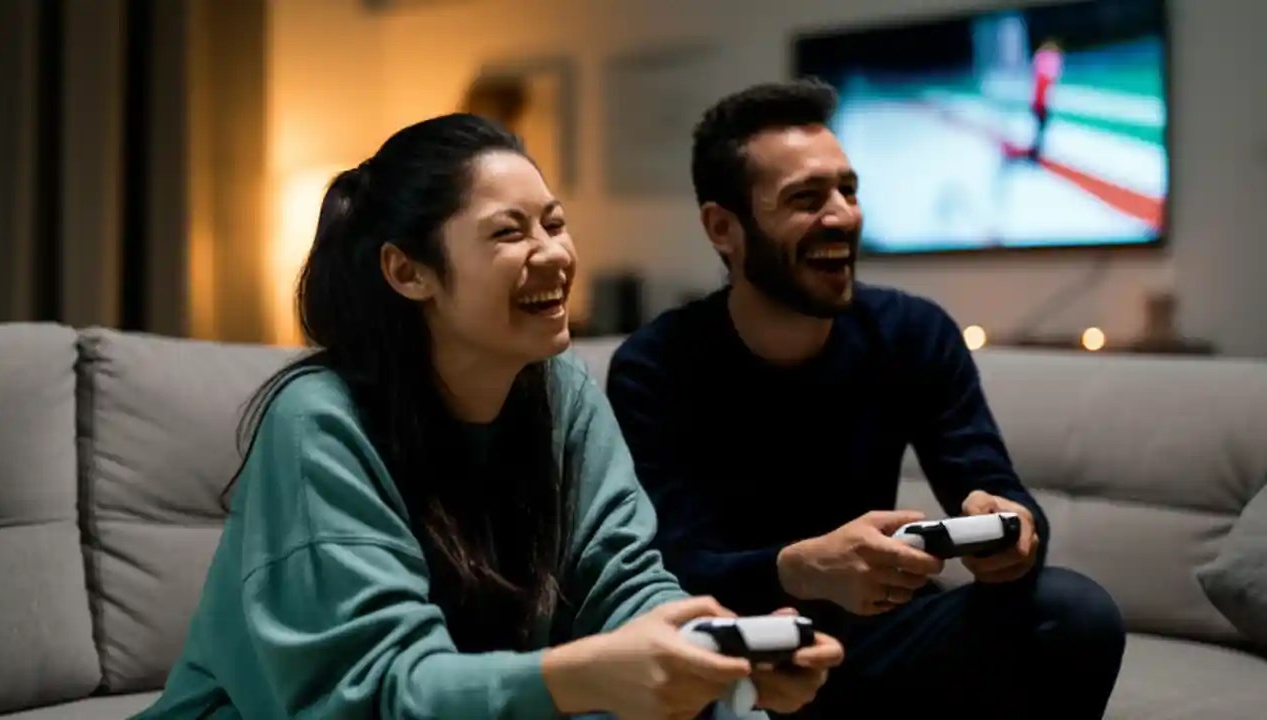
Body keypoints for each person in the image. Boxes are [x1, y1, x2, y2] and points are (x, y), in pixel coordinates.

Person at [134, 114, 842, 720]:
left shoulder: (562, 392)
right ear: (408, 272)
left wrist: (720, 653)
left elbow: (622, 581)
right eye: (509, 233)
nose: (554, 254)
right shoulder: (321, 421)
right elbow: (373, 693)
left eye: (555, 223)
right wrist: (577, 676)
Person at [604, 80, 1126, 718]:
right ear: (724, 228)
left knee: (1073, 614)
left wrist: (1011, 528)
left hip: (884, 639)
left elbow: (991, 483)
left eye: (848, 190)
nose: (842, 215)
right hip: (747, 649)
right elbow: (668, 569)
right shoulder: (655, 367)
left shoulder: (913, 332)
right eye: (805, 198)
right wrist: (797, 568)